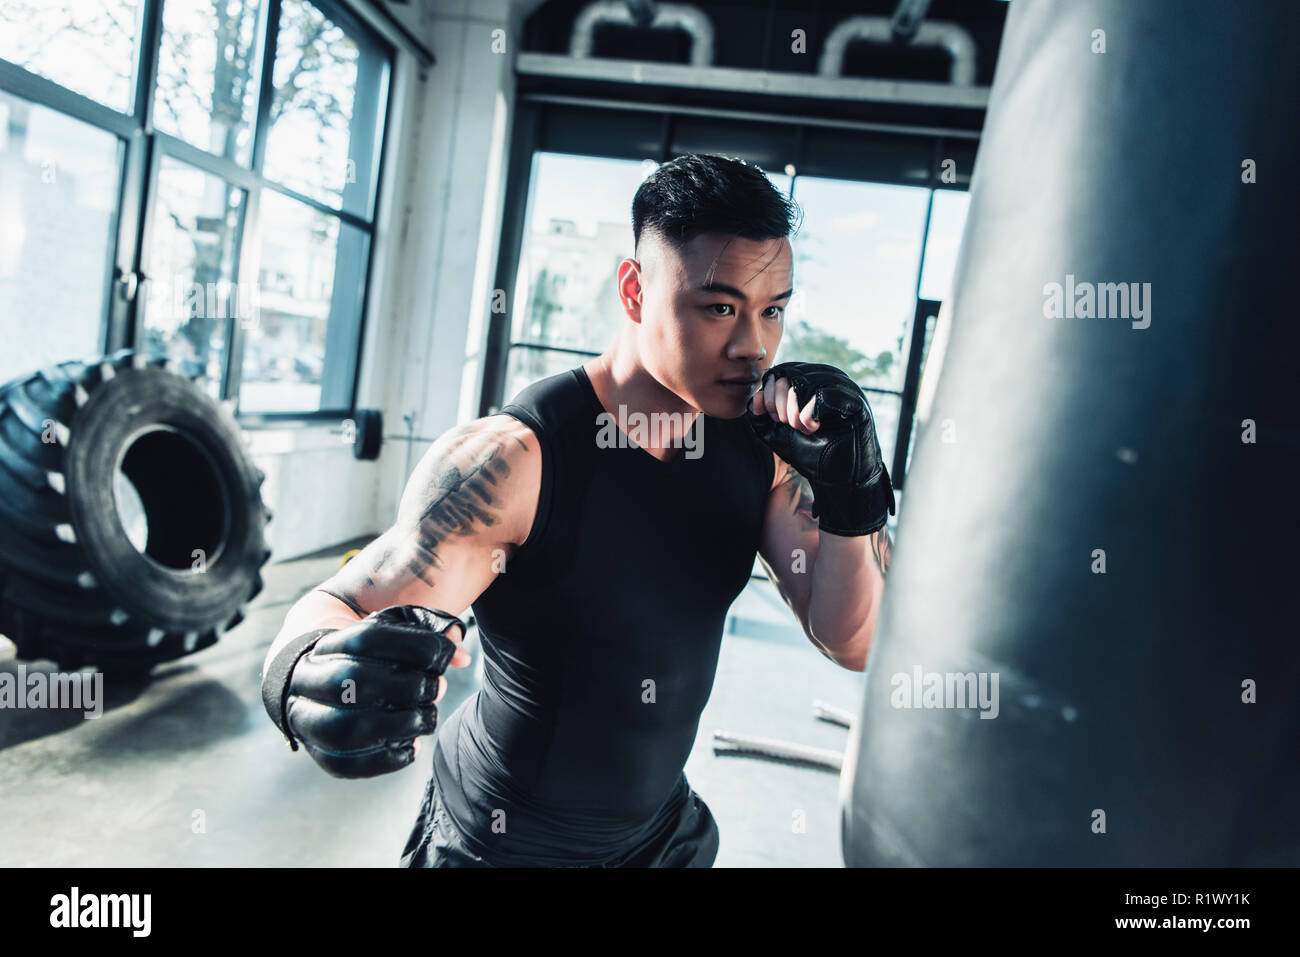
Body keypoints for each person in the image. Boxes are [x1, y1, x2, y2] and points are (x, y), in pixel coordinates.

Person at [259, 153, 896, 867]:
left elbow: (853, 639)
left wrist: (853, 491)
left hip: (657, 839)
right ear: (634, 289)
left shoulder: (761, 450)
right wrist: (301, 673)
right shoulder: (515, 461)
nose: (754, 347)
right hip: (499, 845)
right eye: (719, 307)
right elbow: (337, 601)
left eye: (772, 310)